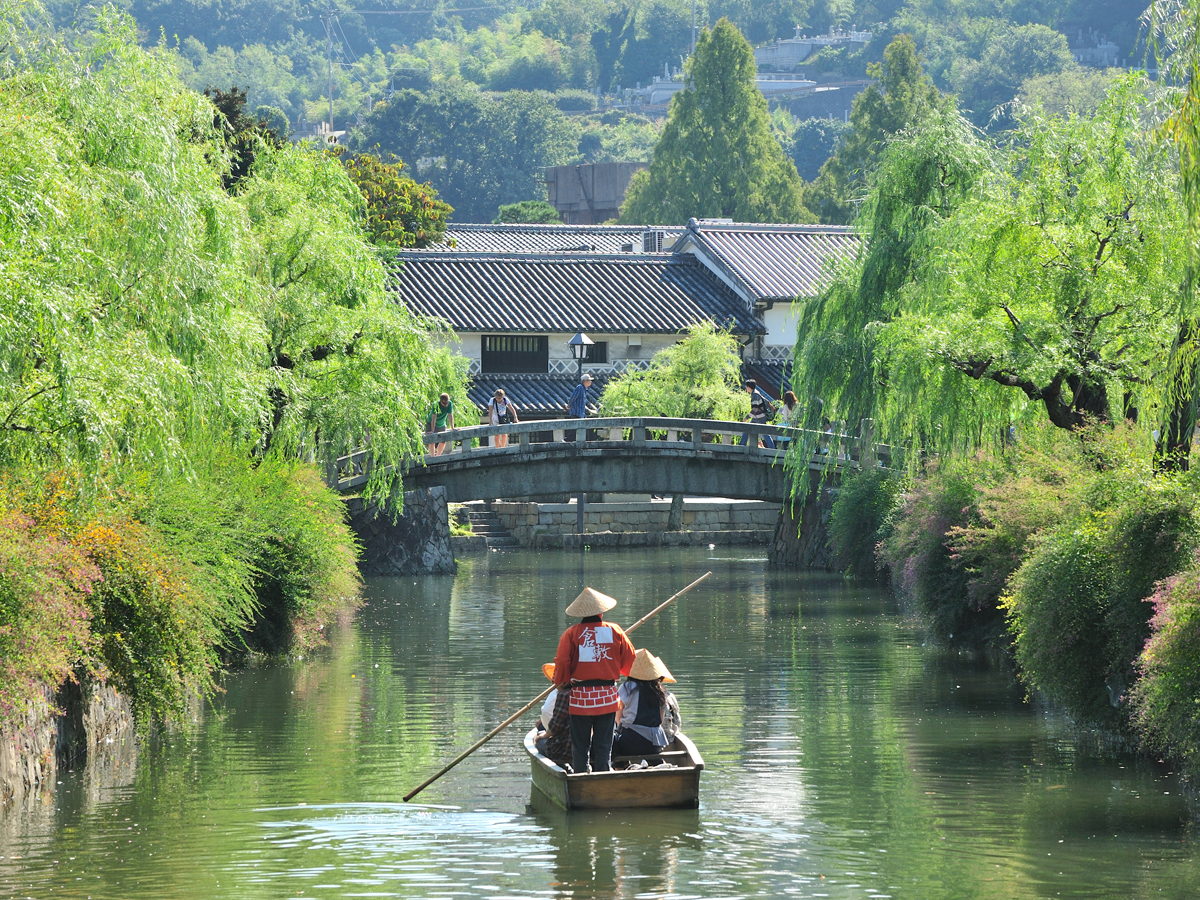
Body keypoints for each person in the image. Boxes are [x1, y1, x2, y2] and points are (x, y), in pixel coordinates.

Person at [553, 586, 636, 774]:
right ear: (601, 612)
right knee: (604, 747)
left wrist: (561, 682)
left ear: (581, 613)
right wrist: (612, 668)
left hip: (581, 699)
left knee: (580, 748)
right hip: (607, 698)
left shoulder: (571, 633)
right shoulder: (615, 630)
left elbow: (562, 662)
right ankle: (602, 780)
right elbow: (630, 660)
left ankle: (580, 778)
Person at [614, 649, 681, 760]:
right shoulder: (660, 691)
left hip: (630, 743)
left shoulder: (627, 687)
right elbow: (660, 721)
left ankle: (620, 767)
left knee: (611, 742)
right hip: (655, 744)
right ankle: (655, 763)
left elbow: (618, 718)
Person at [535, 663, 573, 770]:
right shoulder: (583, 692)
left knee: (539, 742)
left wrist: (544, 735)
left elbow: (555, 727)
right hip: (584, 747)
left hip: (566, 748)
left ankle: (565, 769)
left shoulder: (564, 694)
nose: (553, 682)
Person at [741, 379, 776, 450]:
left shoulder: (755, 395)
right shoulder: (756, 393)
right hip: (756, 418)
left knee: (765, 434)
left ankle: (772, 448)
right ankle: (742, 445)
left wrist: (747, 417)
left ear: (748, 387)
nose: (746, 388)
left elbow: (755, 408)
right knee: (747, 429)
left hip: (759, 418)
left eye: (746, 387)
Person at [426, 392, 455, 456]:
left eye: (447, 402)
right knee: (431, 440)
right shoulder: (436, 404)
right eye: (444, 403)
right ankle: (432, 457)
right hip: (431, 423)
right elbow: (433, 418)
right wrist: (432, 430)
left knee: (443, 441)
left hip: (441, 423)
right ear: (440, 401)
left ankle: (438, 455)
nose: (446, 405)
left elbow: (450, 415)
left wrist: (453, 427)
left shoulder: (450, 403)